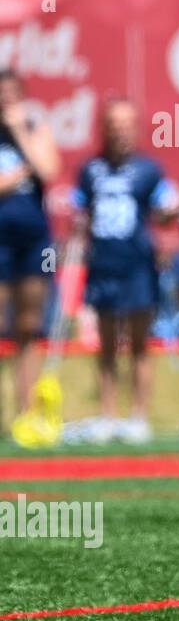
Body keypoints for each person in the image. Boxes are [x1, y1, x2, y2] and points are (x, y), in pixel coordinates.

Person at [71, 98, 179, 443]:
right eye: (113, 125)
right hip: (103, 264)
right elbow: (80, 211)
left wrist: (171, 211)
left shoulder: (149, 170)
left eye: (126, 125)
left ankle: (139, 416)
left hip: (137, 265)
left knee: (138, 345)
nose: (120, 132)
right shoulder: (90, 170)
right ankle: (108, 415)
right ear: (105, 129)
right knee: (106, 346)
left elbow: (166, 206)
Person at [0, 70, 60, 418]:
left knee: (28, 326)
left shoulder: (35, 129)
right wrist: (19, 175)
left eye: (12, 92)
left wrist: (21, 131)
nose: (6, 98)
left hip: (34, 240)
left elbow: (49, 170)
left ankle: (28, 411)